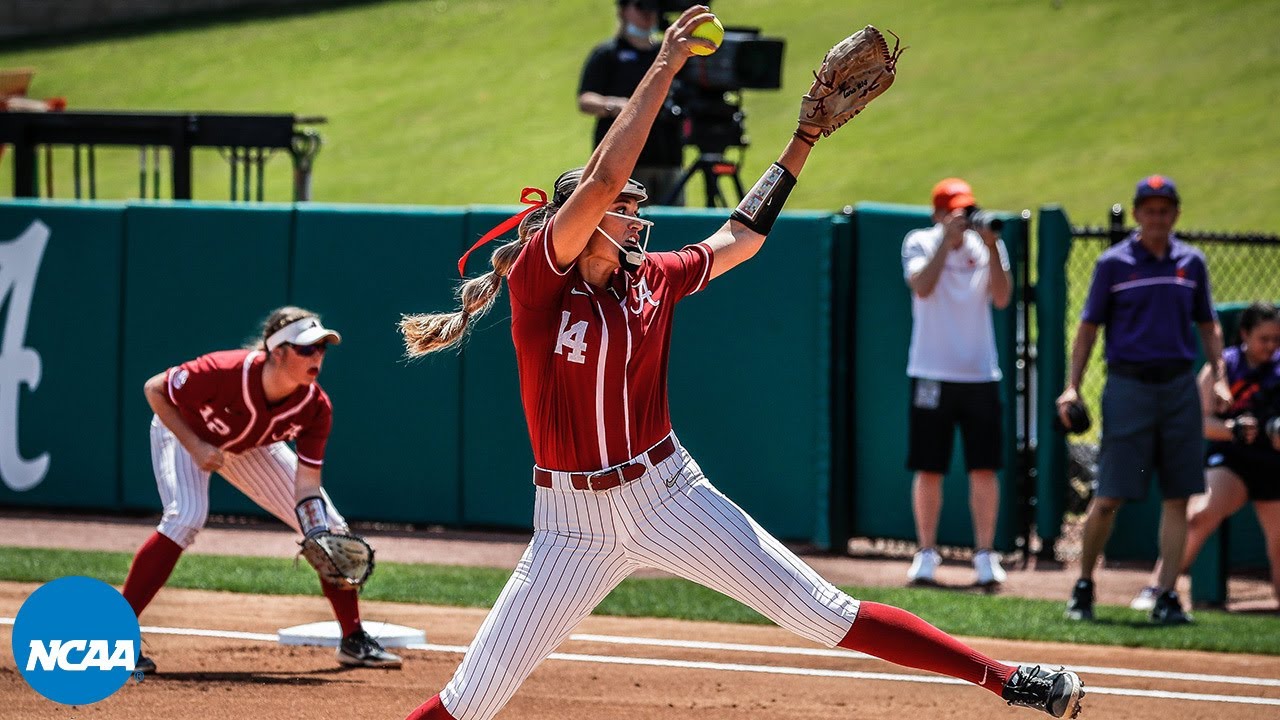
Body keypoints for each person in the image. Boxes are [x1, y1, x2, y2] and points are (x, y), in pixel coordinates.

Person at [397, 10, 1082, 720]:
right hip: (570, 524)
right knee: (471, 700)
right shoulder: (542, 284)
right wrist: (664, 65)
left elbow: (742, 235)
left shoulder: (652, 278)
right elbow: (602, 180)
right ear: (586, 218)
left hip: (668, 494)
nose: (638, 219)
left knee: (822, 612)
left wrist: (804, 138)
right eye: (628, 211)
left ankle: (1008, 679)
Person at [120, 306, 402, 673]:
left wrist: (318, 533)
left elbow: (307, 485)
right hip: (184, 430)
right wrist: (194, 446)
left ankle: (353, 640)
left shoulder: (315, 407)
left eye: (322, 348)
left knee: (330, 529)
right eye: (306, 349)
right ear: (277, 352)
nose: (317, 356)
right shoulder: (225, 370)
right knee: (186, 516)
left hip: (251, 445)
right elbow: (155, 388)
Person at [1057, 174, 1231, 625]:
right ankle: (1084, 585)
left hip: (1177, 386)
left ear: (1175, 213)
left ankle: (1168, 594)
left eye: (1164, 209)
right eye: (1149, 209)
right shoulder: (1113, 264)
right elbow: (1088, 329)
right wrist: (1072, 384)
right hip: (1129, 386)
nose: (1157, 217)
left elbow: (1209, 327)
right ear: (1136, 214)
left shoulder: (1191, 264)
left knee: (1178, 495)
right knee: (1110, 492)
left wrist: (1223, 378)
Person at [1131, 302, 1280, 610]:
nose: (1271, 346)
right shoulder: (1223, 367)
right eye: (1264, 338)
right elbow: (1198, 421)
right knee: (1198, 515)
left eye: (1276, 339)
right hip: (1233, 460)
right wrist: (1234, 429)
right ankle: (1159, 588)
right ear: (1244, 335)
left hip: (1274, 464)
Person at [901, 178, 1013, 587]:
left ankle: (985, 555)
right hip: (931, 372)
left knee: (984, 468)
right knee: (929, 467)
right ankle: (926, 553)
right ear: (937, 214)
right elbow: (922, 287)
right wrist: (944, 243)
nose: (964, 219)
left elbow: (1002, 298)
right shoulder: (918, 241)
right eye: (955, 212)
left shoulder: (987, 247)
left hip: (981, 375)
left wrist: (990, 248)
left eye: (968, 210)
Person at [577, 0, 685, 206]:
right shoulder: (608, 53)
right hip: (625, 157)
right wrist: (618, 106)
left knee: (672, 222)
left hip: (668, 155)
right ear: (623, 11)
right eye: (640, 6)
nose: (648, 14)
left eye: (653, 7)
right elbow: (585, 99)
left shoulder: (669, 54)